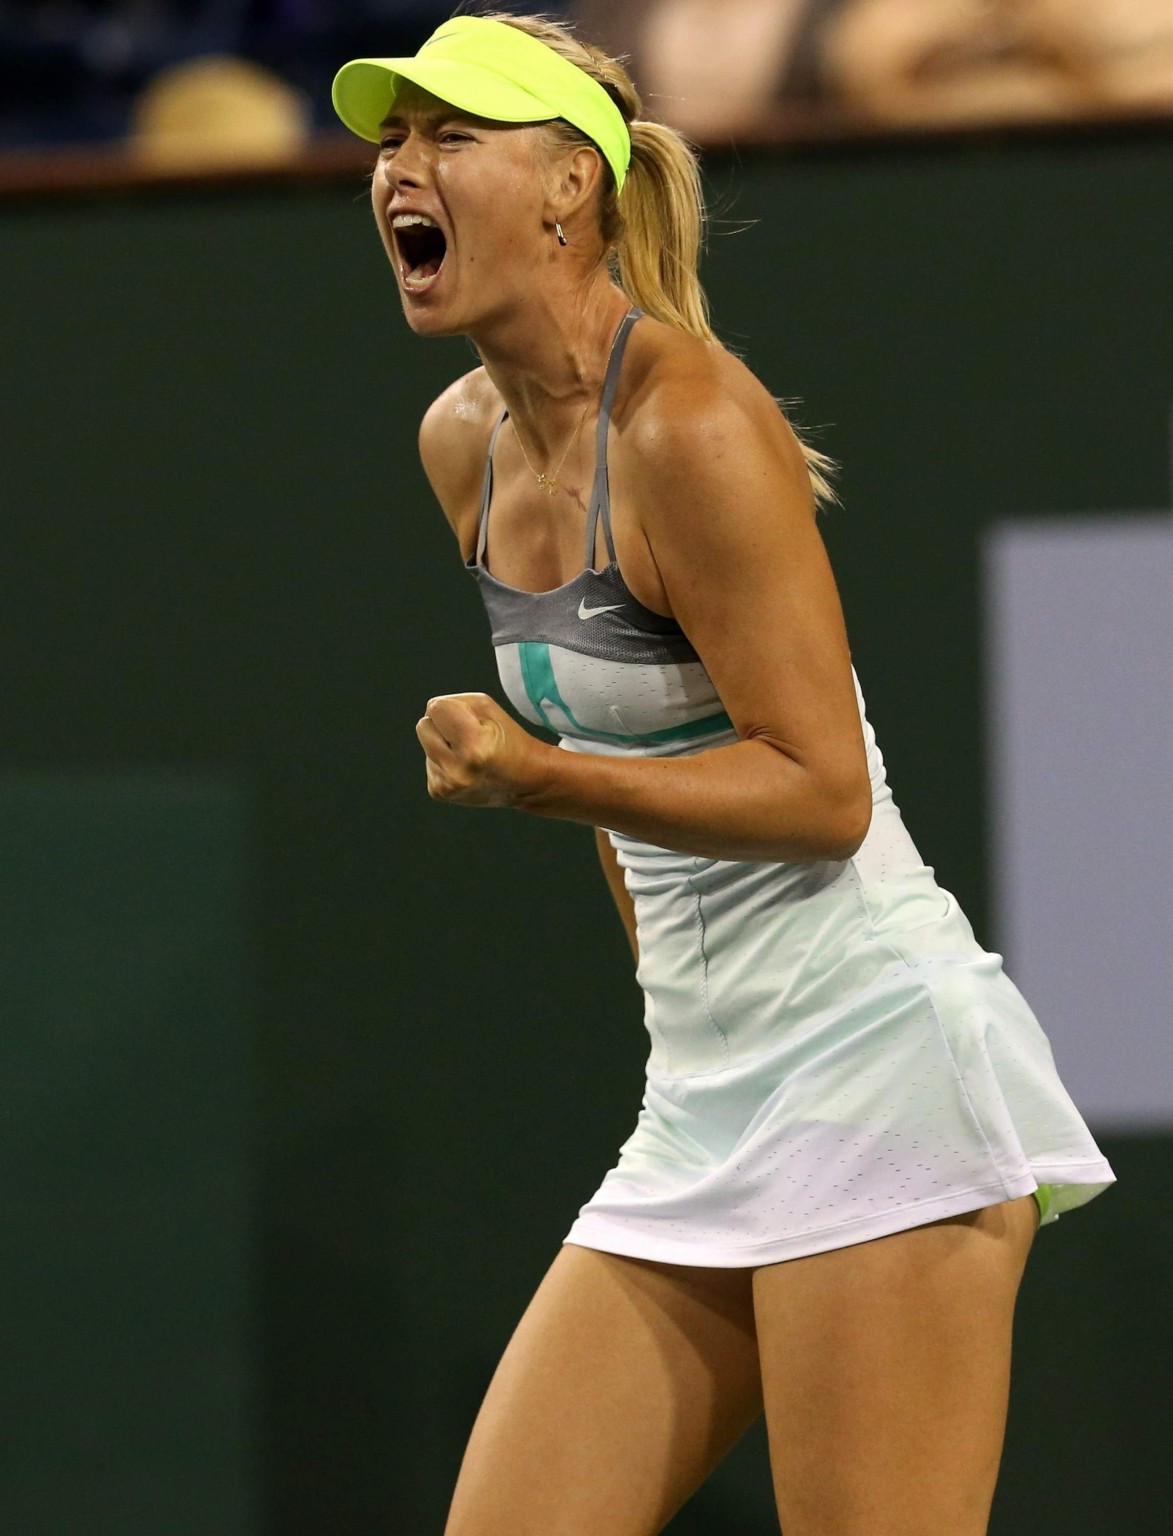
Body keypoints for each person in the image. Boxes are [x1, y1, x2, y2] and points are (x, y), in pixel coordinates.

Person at [331, 11, 1116, 1534]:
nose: (400, 173)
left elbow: (819, 793)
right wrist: (679, 1012)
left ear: (570, 188)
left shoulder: (692, 422)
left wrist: (544, 778)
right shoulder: (464, 443)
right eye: (388, 143)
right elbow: (649, 805)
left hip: (881, 1077)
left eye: (451, 137)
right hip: (703, 1095)